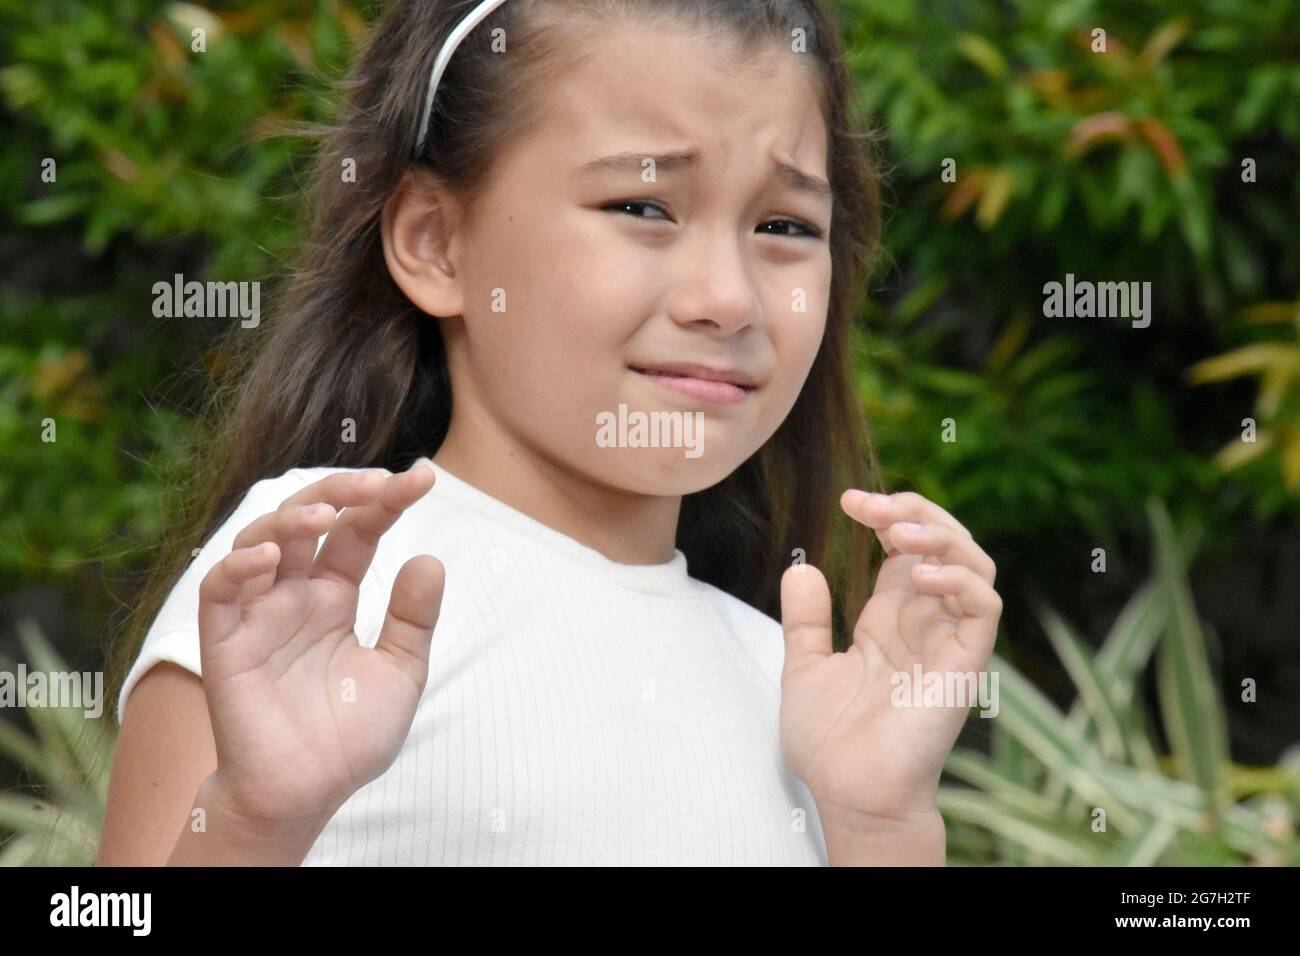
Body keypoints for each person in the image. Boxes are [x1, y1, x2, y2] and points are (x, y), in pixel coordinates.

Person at [98, 0, 1001, 866]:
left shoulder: (791, 688)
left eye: (783, 225)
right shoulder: (315, 587)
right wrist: (255, 823)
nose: (728, 299)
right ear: (435, 242)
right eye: (643, 207)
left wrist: (881, 829)